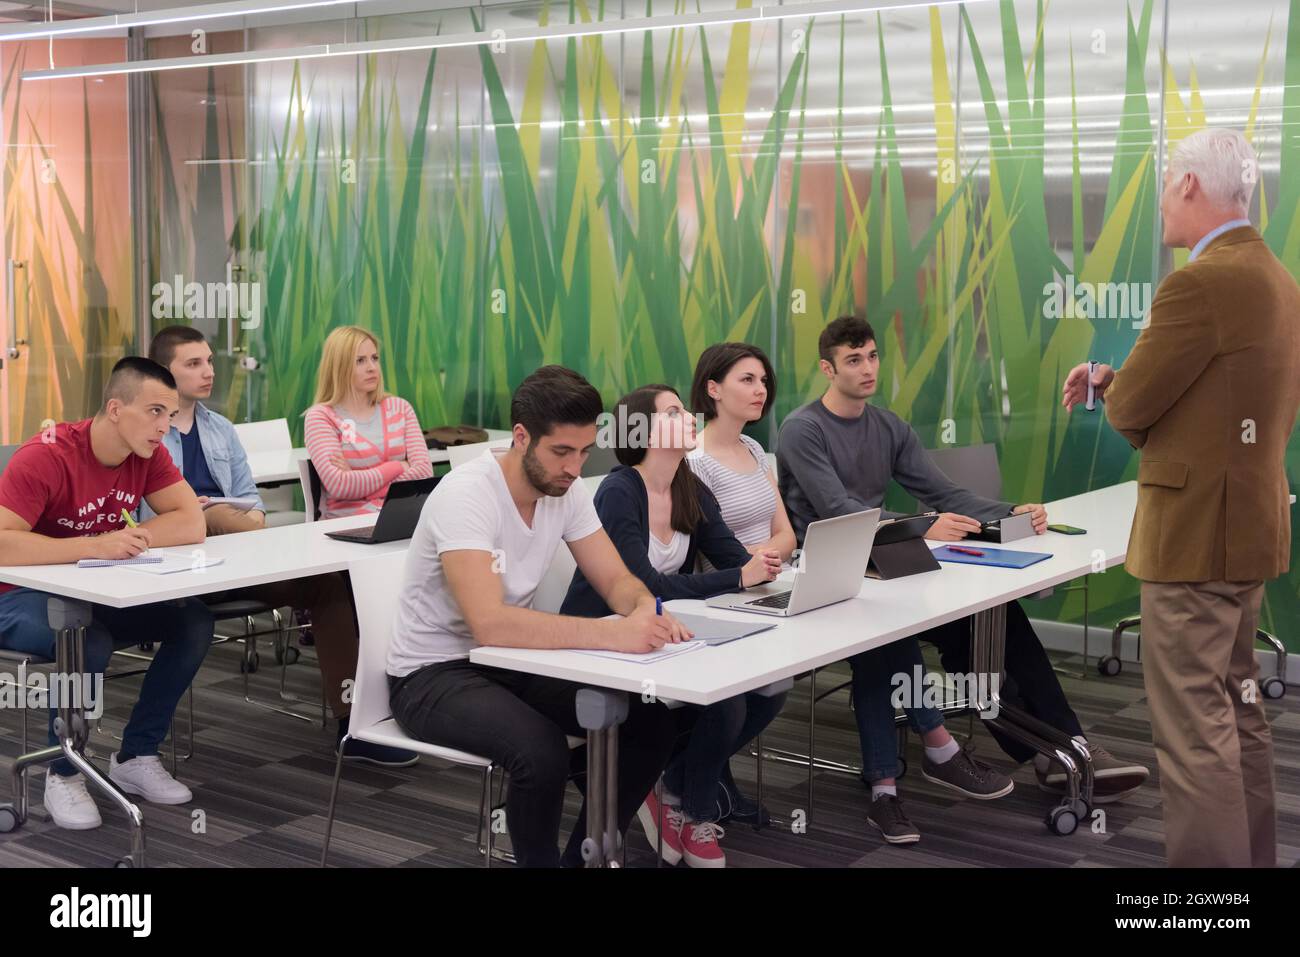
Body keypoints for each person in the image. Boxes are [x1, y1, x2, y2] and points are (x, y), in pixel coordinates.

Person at [779, 316, 1148, 843]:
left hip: (888, 563)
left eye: (874, 356)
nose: (868, 368)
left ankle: (1064, 744)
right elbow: (839, 511)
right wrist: (926, 526)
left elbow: (943, 491)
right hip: (831, 571)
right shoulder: (803, 429)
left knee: (995, 620)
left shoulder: (888, 426)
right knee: (908, 636)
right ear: (827, 367)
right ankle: (1011, 753)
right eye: (854, 359)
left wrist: (1010, 510)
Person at [1063, 128, 1300, 868]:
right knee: (1239, 710)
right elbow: (1215, 395)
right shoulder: (1272, 276)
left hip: (1193, 541)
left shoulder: (1198, 282)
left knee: (1195, 732)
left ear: (1191, 185)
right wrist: (1113, 376)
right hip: (1244, 531)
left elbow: (1137, 410)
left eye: (1167, 185)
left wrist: (1113, 386)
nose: (1163, 202)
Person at [387, 365, 689, 868]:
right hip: (430, 675)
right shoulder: (467, 495)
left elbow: (617, 581)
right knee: (541, 751)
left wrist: (643, 609)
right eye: (561, 452)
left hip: (506, 663)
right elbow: (491, 623)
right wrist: (616, 637)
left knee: (649, 722)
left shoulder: (565, 491)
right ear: (521, 438)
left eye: (585, 452)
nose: (574, 468)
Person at [146, 326, 416, 767]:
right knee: (202, 516)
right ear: (163, 371)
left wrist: (220, 515)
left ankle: (354, 726)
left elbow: (253, 506)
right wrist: (199, 516)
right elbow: (148, 517)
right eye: (194, 364)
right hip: (180, 562)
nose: (209, 371)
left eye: (210, 361)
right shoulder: (149, 435)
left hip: (237, 552)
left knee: (326, 584)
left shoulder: (221, 430)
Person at [561, 384, 783, 868]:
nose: (689, 417)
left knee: (772, 690)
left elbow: (732, 561)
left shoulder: (690, 487)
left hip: (663, 633)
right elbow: (646, 585)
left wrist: (763, 567)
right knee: (724, 707)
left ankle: (667, 784)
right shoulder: (619, 490)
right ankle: (692, 808)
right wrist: (737, 575)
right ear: (640, 429)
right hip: (599, 638)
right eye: (674, 412)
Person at [0, 357, 213, 830]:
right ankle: (64, 773)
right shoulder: (46, 456)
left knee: (193, 621)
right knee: (87, 640)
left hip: (93, 591)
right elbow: (2, 543)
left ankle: (136, 755)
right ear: (115, 408)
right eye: (155, 412)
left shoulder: (147, 454)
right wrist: (94, 546)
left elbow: (191, 520)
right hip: (15, 594)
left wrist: (136, 540)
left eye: (170, 415)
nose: (165, 427)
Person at [303, 325, 432, 520]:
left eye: (374, 358)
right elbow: (340, 485)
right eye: (360, 361)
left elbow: (424, 472)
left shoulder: (400, 408)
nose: (372, 367)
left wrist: (361, 482)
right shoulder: (321, 417)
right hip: (350, 524)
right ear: (339, 366)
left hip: (404, 517)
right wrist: (398, 467)